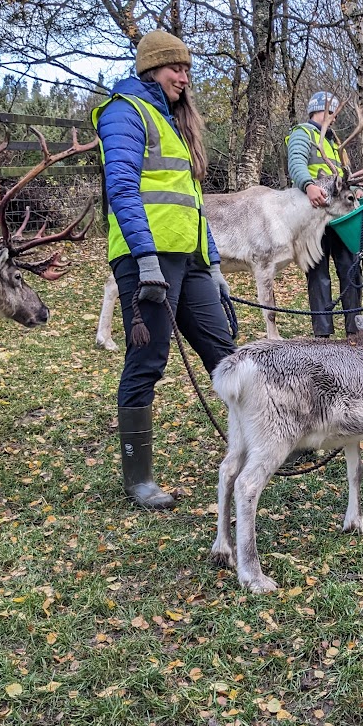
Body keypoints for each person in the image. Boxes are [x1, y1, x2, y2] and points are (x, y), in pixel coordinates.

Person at [92, 29, 236, 510]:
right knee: (147, 362)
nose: (184, 77)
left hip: (190, 259)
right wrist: (146, 259)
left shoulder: (173, 122)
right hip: (146, 261)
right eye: (177, 68)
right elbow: (123, 190)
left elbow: (192, 204)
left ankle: (260, 443)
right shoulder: (125, 112)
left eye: (187, 69)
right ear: (152, 67)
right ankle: (138, 477)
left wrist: (213, 265)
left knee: (224, 351)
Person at [286, 91, 362, 337]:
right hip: (314, 218)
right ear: (320, 110)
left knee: (351, 269)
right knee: (318, 274)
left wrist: (356, 191)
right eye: (333, 112)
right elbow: (295, 163)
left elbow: (343, 179)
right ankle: (323, 334)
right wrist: (308, 185)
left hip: (340, 219)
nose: (335, 119)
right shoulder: (302, 133)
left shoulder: (333, 142)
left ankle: (355, 329)